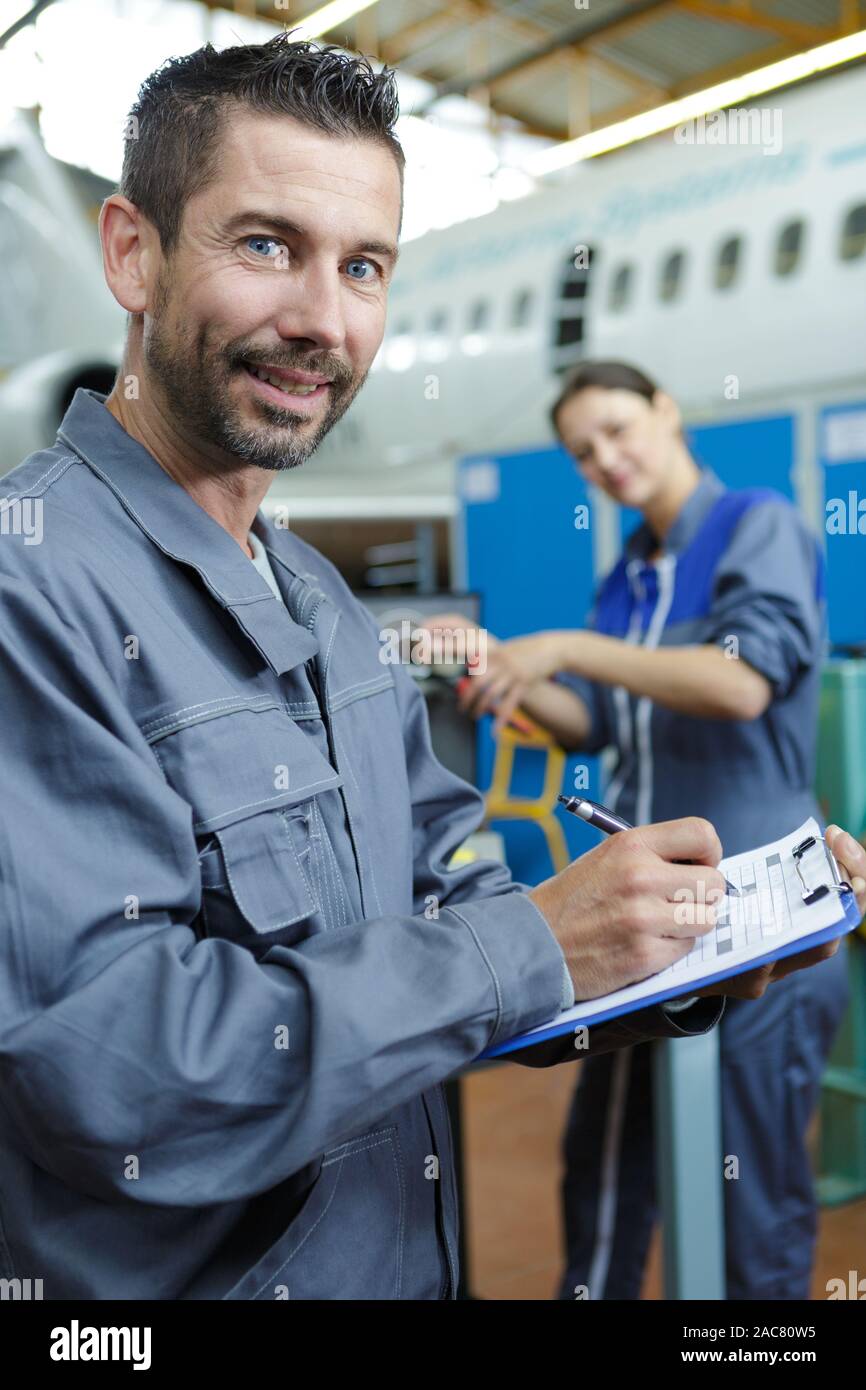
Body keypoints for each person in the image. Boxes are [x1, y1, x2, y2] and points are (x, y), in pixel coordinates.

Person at [0, 44, 861, 1301]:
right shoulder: (32, 592)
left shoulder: (324, 609)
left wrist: (677, 949)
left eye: (362, 267)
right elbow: (116, 1071)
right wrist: (530, 943)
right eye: (264, 246)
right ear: (130, 253)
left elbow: (456, 911)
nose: (322, 320)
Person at [431, 359, 857, 1300]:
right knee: (606, 1166)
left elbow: (742, 683)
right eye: (585, 453)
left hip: (760, 919)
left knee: (750, 1195)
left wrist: (571, 646)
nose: (607, 460)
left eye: (619, 430)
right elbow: (594, 718)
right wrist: (500, 669)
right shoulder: (629, 573)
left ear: (667, 411)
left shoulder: (758, 526)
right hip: (651, 925)